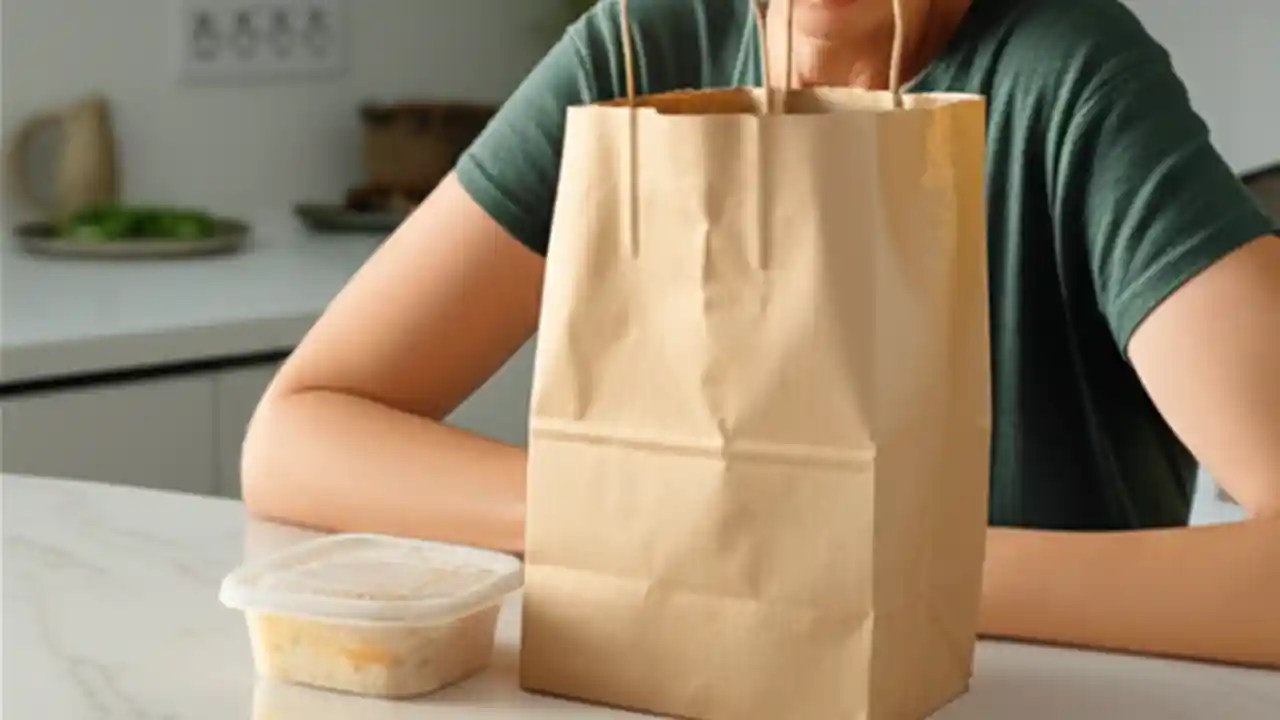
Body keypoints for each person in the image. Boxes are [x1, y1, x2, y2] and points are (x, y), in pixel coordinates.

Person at [241, 0, 1280, 669]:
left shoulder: (1070, 79)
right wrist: (667, 524)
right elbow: (301, 435)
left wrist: (873, 568)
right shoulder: (642, 48)